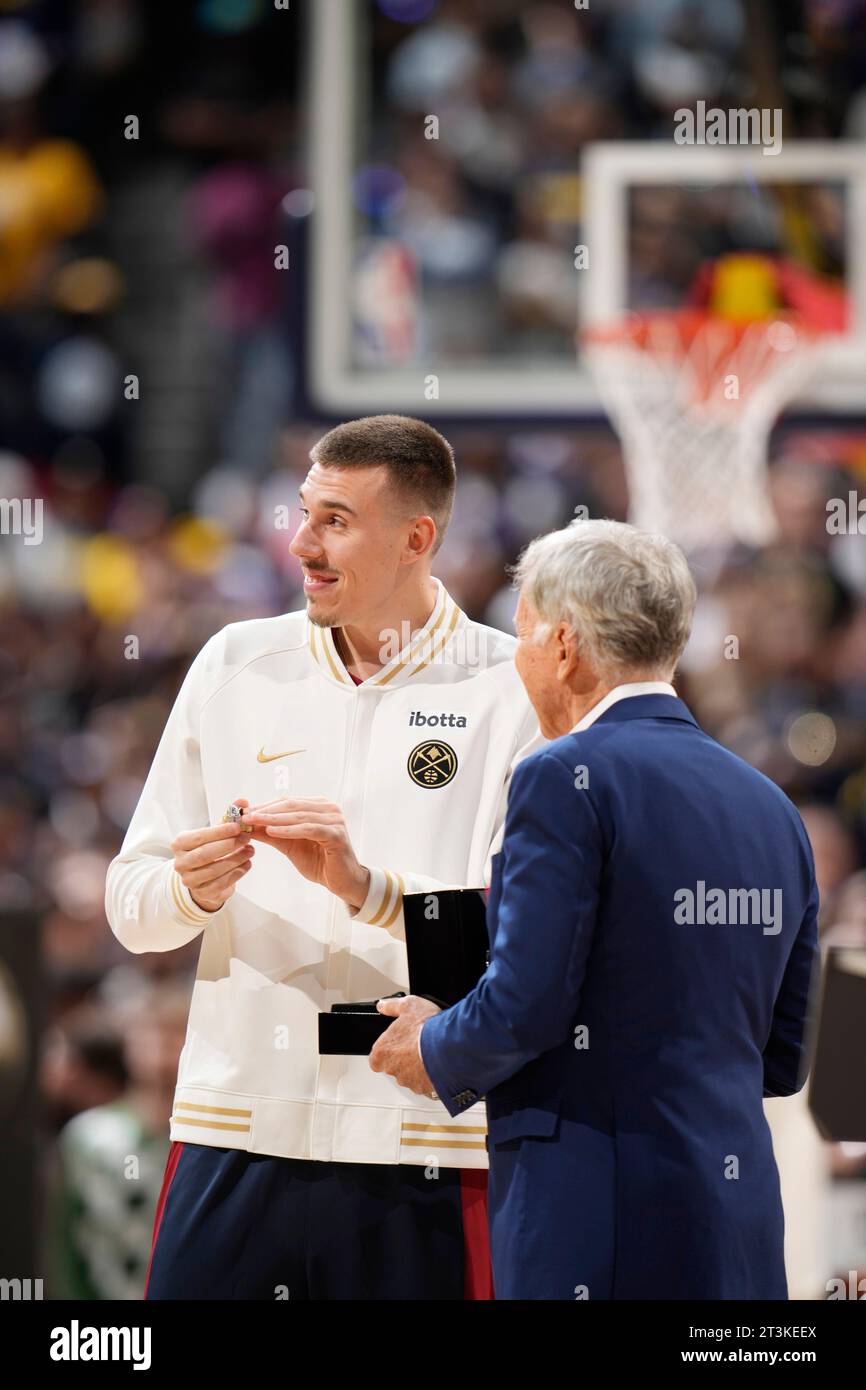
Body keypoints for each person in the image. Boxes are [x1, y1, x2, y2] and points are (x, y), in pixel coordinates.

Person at [104, 414, 542, 1300]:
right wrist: (185, 893)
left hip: (423, 1141)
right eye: (303, 512)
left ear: (417, 538)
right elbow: (130, 906)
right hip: (234, 1127)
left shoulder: (511, 689)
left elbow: (526, 946)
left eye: (336, 520)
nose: (301, 541)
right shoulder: (235, 663)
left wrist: (369, 890)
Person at [372, 518, 819, 1300]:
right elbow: (782, 1056)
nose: (517, 660)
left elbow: (527, 1004)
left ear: (565, 646)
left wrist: (435, 1044)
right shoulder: (771, 805)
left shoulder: (561, 775)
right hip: (738, 1224)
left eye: (522, 636)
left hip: (593, 1219)